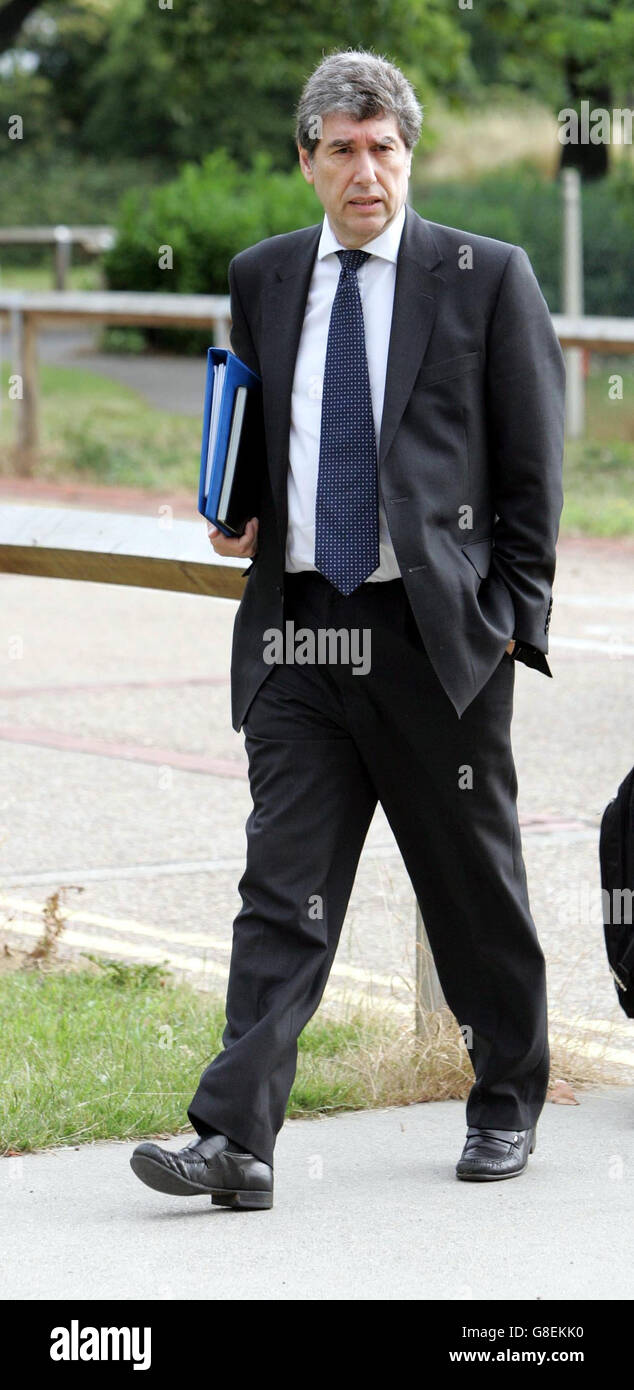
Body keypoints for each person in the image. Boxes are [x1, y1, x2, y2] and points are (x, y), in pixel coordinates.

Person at [131, 48, 564, 1208]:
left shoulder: (484, 275)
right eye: (341, 150)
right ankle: (236, 1140)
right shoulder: (265, 277)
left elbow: (533, 466)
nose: (364, 171)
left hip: (433, 639)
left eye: (383, 148)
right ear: (308, 162)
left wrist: (511, 623)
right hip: (302, 632)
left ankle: (505, 1099)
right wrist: (234, 510)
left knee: (471, 886)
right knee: (283, 886)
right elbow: (254, 426)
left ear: (406, 154)